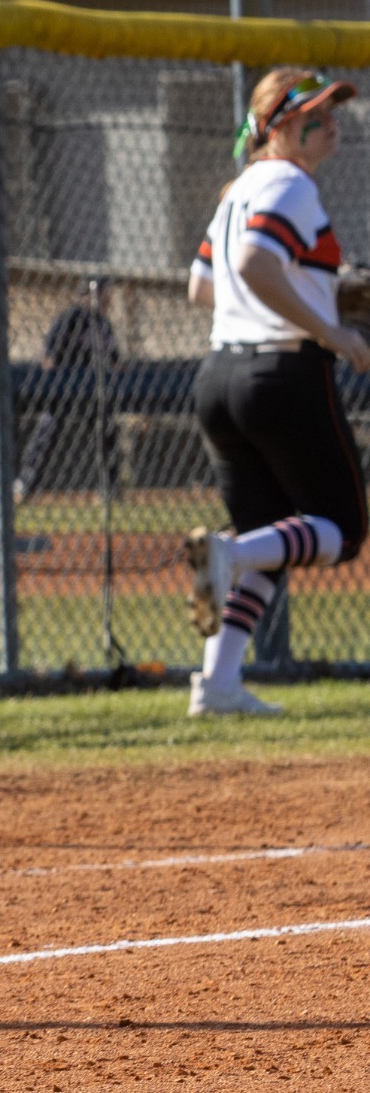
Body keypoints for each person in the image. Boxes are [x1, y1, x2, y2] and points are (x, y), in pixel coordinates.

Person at [185, 67, 370, 716]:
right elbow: (253, 263)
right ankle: (227, 555)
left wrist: (317, 288)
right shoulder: (290, 183)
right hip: (281, 375)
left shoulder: (239, 190)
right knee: (342, 530)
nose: (333, 124)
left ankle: (218, 684)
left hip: (218, 378)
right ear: (284, 127)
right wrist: (329, 327)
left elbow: (202, 286)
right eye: (319, 115)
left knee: (272, 537)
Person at [15, 275, 118, 501]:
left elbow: (115, 361)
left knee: (106, 428)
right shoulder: (72, 318)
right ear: (91, 293)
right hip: (65, 390)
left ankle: (109, 488)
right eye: (103, 292)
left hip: (92, 391)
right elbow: (49, 357)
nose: (108, 297)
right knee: (48, 430)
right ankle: (24, 484)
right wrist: (55, 385)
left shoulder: (103, 324)